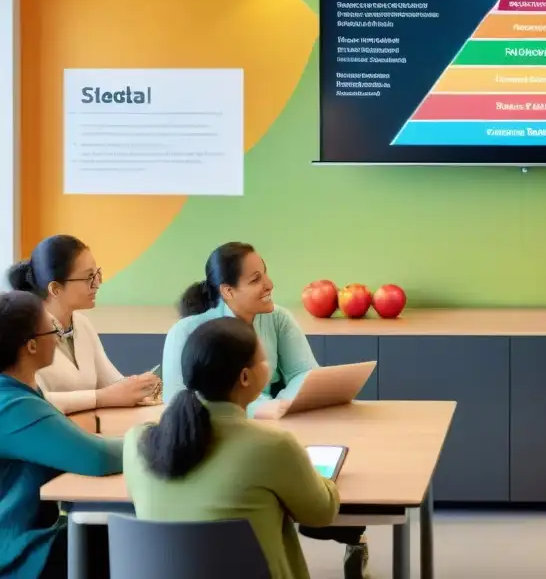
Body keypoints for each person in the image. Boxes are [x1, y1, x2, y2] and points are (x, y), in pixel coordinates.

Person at [161, 241, 368, 575]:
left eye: (265, 274)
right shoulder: (185, 333)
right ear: (227, 291)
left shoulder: (277, 319)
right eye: (255, 279)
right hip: (222, 448)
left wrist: (282, 405)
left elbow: (305, 374)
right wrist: (260, 408)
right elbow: (176, 401)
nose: (269, 284)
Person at [126, 316, 347, 579]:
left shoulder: (136, 442)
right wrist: (318, 476)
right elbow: (321, 512)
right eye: (264, 360)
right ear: (245, 377)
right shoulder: (274, 447)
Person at [0, 290, 123, 579]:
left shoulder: (19, 392)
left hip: (28, 535)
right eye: (53, 331)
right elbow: (98, 458)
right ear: (31, 346)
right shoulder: (14, 406)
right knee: (127, 542)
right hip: (17, 551)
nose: (58, 338)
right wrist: (156, 440)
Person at [8, 234, 161, 414]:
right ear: (55, 289)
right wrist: (101, 397)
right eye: (89, 277)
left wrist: (139, 387)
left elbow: (112, 382)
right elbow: (32, 401)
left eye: (97, 273)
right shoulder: (26, 335)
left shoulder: (82, 324)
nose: (98, 283)